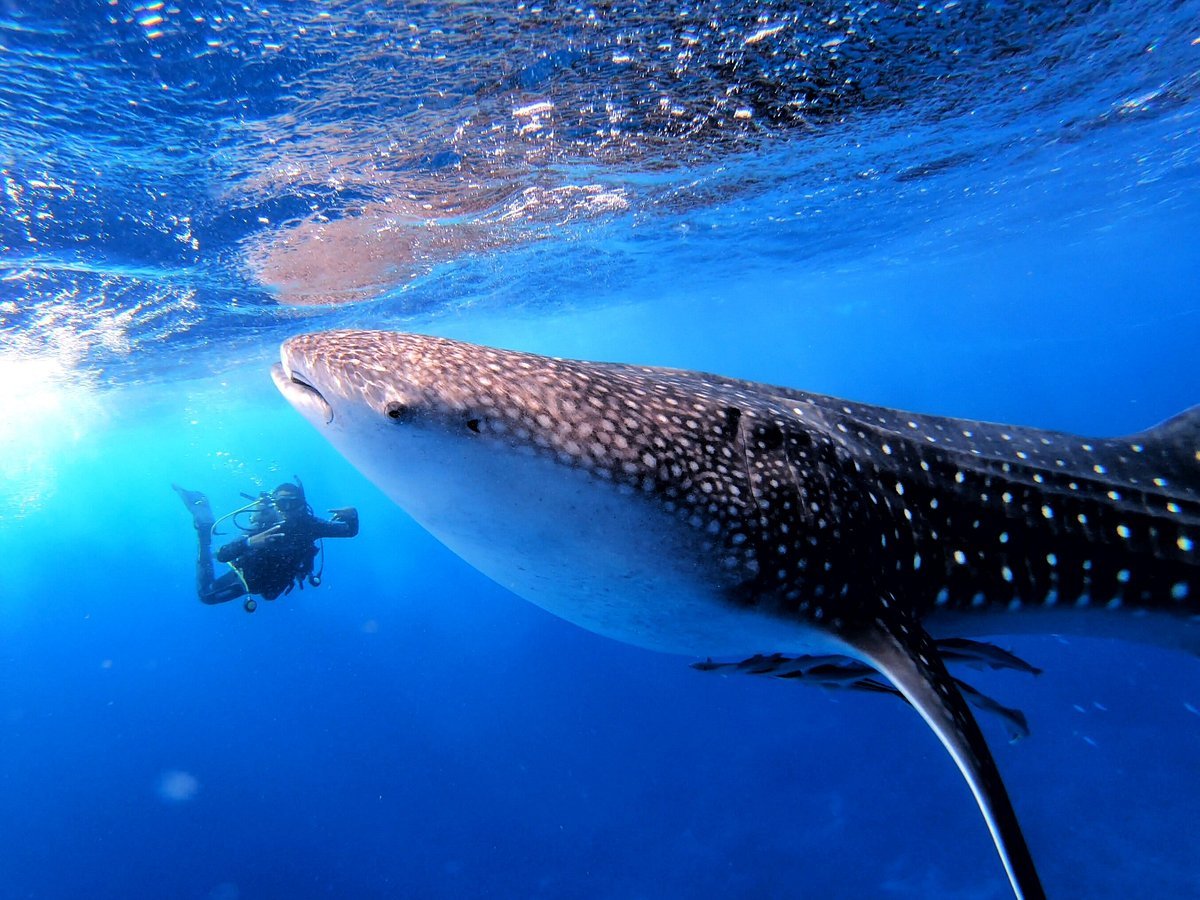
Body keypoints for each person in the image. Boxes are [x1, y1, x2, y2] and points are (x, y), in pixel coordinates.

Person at [173, 480, 359, 612]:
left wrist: (353, 516)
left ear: (302, 505)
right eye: (281, 504)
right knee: (206, 595)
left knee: (267, 594)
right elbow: (222, 555)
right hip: (248, 577)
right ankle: (204, 529)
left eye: (292, 504)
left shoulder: (310, 526)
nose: (287, 509)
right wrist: (249, 542)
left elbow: (349, 531)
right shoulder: (264, 524)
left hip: (275, 582)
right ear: (275, 506)